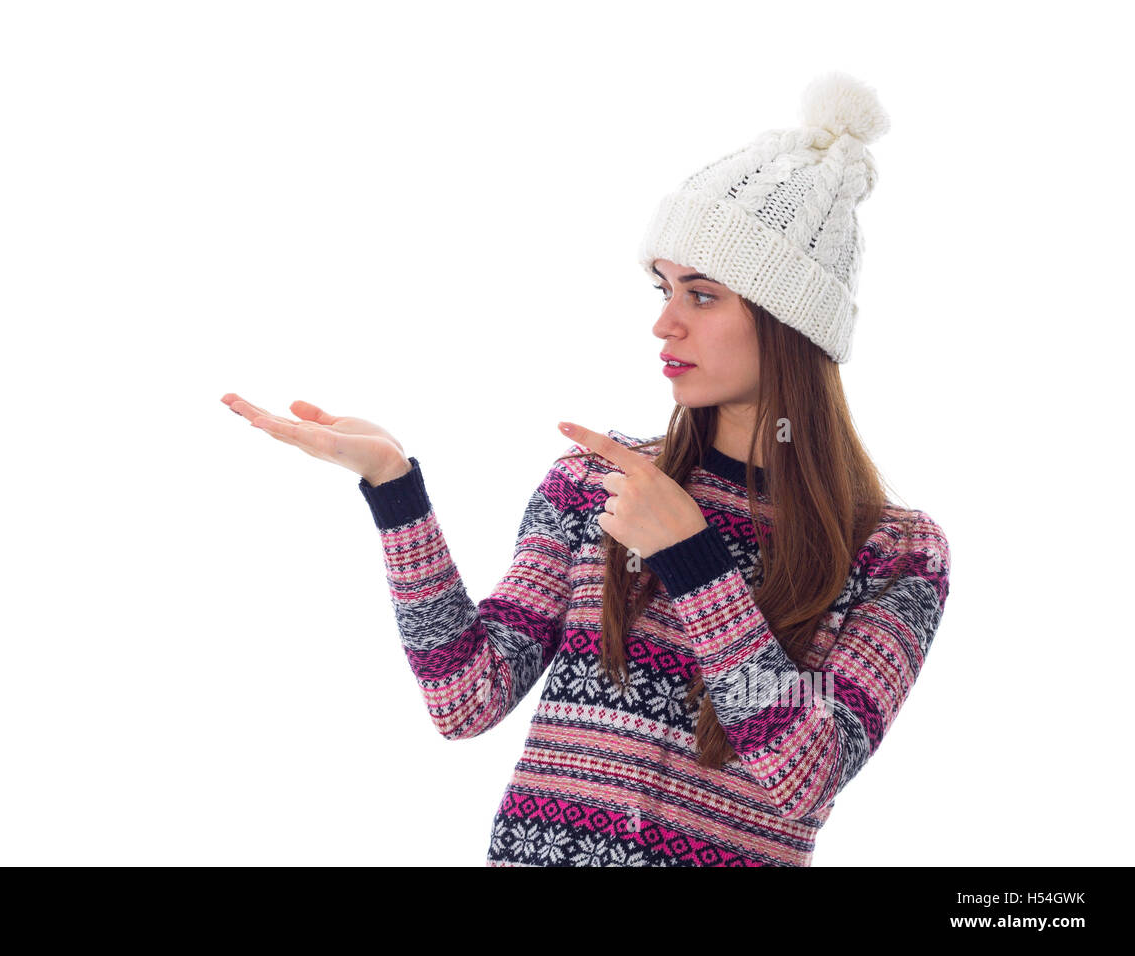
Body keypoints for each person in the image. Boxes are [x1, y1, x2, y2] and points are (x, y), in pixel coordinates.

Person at [221, 71, 951, 866]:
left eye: (702, 297)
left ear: (789, 320)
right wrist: (395, 490)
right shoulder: (594, 485)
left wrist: (694, 562)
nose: (663, 322)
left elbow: (807, 779)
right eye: (663, 287)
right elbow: (467, 698)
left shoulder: (899, 554)